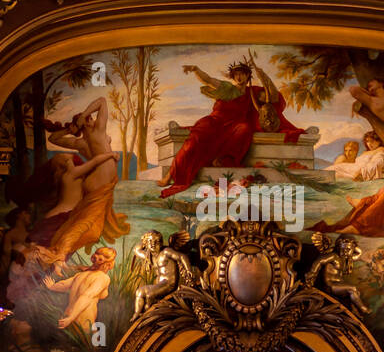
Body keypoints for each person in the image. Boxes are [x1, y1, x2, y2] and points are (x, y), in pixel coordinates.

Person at [160, 52, 304, 197]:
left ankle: (222, 160)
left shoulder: (252, 93)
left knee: (245, 129)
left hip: (235, 125)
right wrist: (195, 69)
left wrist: (263, 75)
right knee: (195, 140)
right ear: (233, 76)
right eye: (236, 74)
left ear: (248, 76)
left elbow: (273, 96)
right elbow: (208, 80)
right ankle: (171, 175)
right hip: (215, 121)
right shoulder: (227, 88)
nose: (239, 77)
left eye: (242, 74)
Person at [34, 98, 128, 267]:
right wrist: (82, 117)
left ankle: (59, 252)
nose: (93, 119)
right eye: (90, 118)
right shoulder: (97, 131)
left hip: (98, 182)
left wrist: (68, 130)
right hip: (100, 182)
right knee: (87, 225)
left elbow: (54, 138)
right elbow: (102, 101)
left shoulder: (80, 143)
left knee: (89, 225)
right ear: (88, 121)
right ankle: (58, 254)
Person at [43, 246, 117, 334]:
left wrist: (52, 286)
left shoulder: (80, 275)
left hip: (67, 315)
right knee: (88, 344)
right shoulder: (103, 278)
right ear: (109, 264)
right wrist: (71, 317)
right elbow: (87, 296)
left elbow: (64, 285)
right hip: (83, 319)